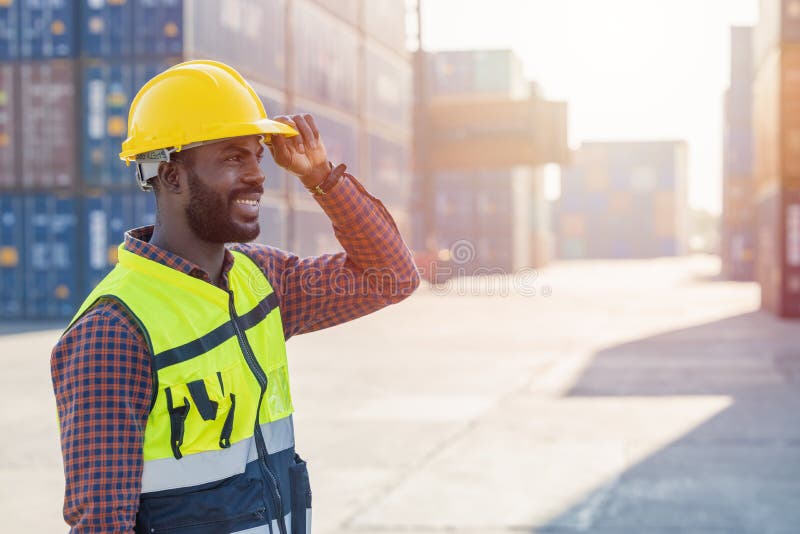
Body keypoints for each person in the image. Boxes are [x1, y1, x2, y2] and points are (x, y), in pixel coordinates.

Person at [51, 60, 420, 533]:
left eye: (257, 157)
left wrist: (322, 177)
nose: (258, 176)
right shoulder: (115, 329)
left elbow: (391, 276)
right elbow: (103, 523)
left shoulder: (262, 280)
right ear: (170, 176)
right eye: (232, 158)